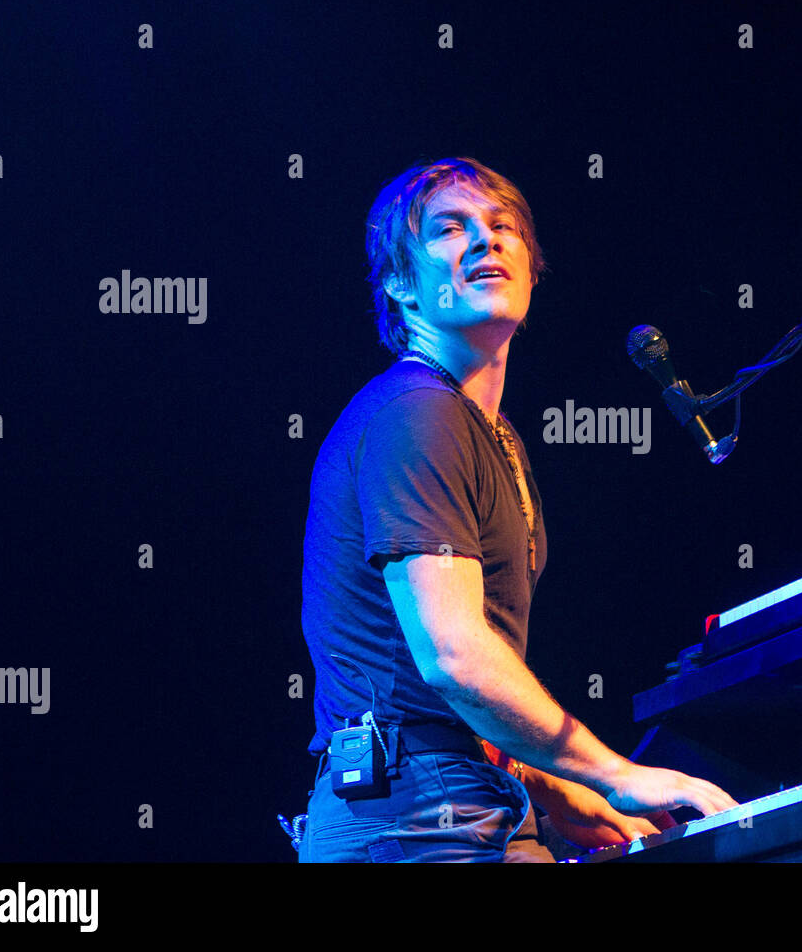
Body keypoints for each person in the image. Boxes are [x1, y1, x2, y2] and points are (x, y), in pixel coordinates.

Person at [296, 156, 737, 862]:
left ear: (533, 269)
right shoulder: (417, 414)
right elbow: (453, 656)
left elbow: (444, 693)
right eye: (449, 228)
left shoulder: (493, 434)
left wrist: (562, 791)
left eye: (503, 227)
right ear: (400, 284)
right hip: (418, 819)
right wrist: (616, 775)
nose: (485, 240)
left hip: (471, 799)